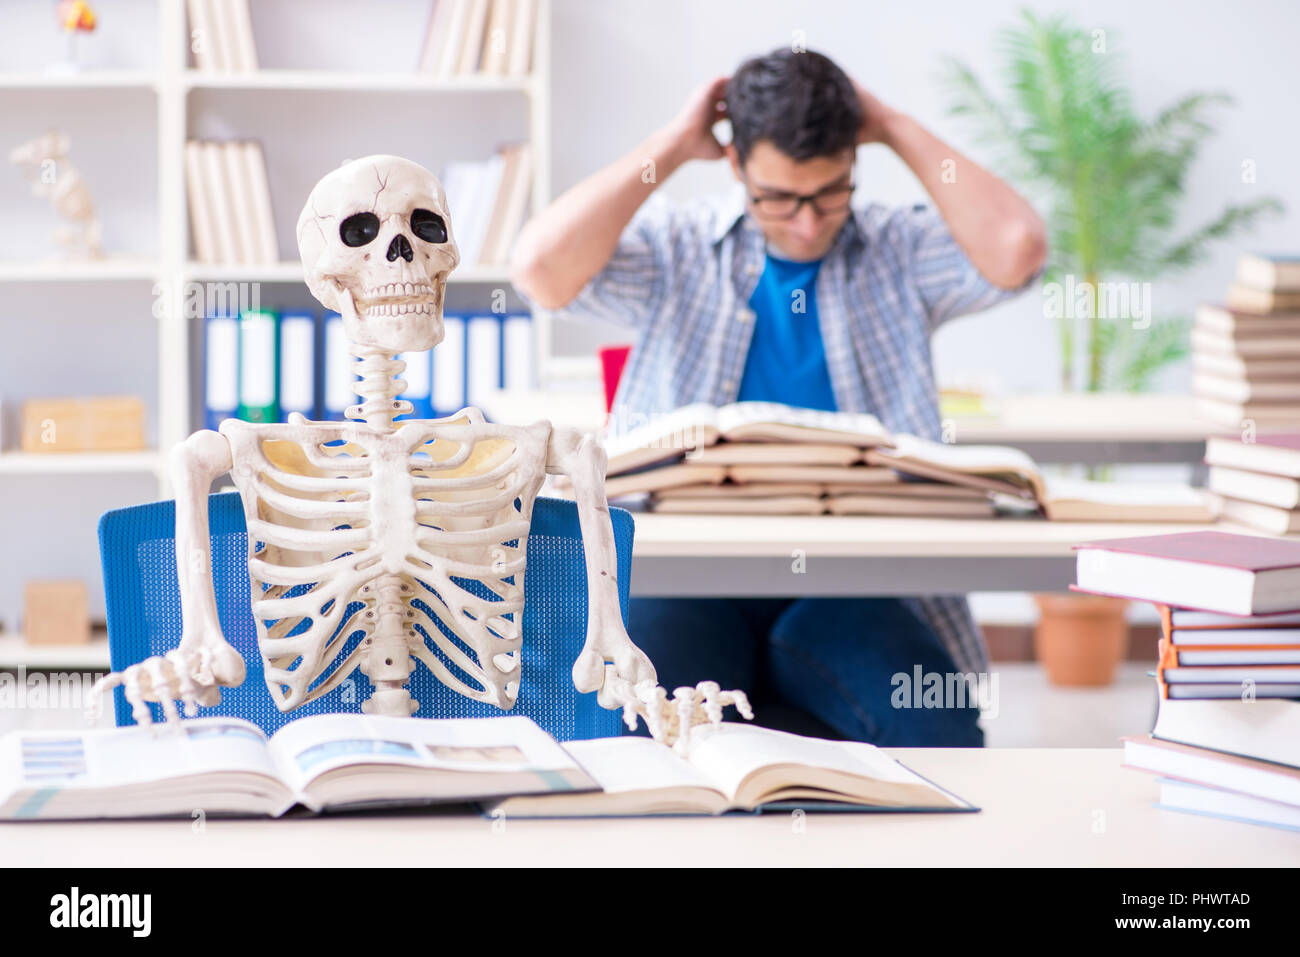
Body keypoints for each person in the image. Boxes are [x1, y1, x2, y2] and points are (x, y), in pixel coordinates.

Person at [510, 48, 1047, 746]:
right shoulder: (679, 248)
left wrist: (891, 123)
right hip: (694, 574)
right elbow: (538, 268)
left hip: (851, 581)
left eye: (830, 192)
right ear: (736, 167)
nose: (805, 222)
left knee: (943, 733)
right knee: (631, 733)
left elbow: (1018, 247)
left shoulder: (895, 249)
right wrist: (673, 144)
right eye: (777, 198)